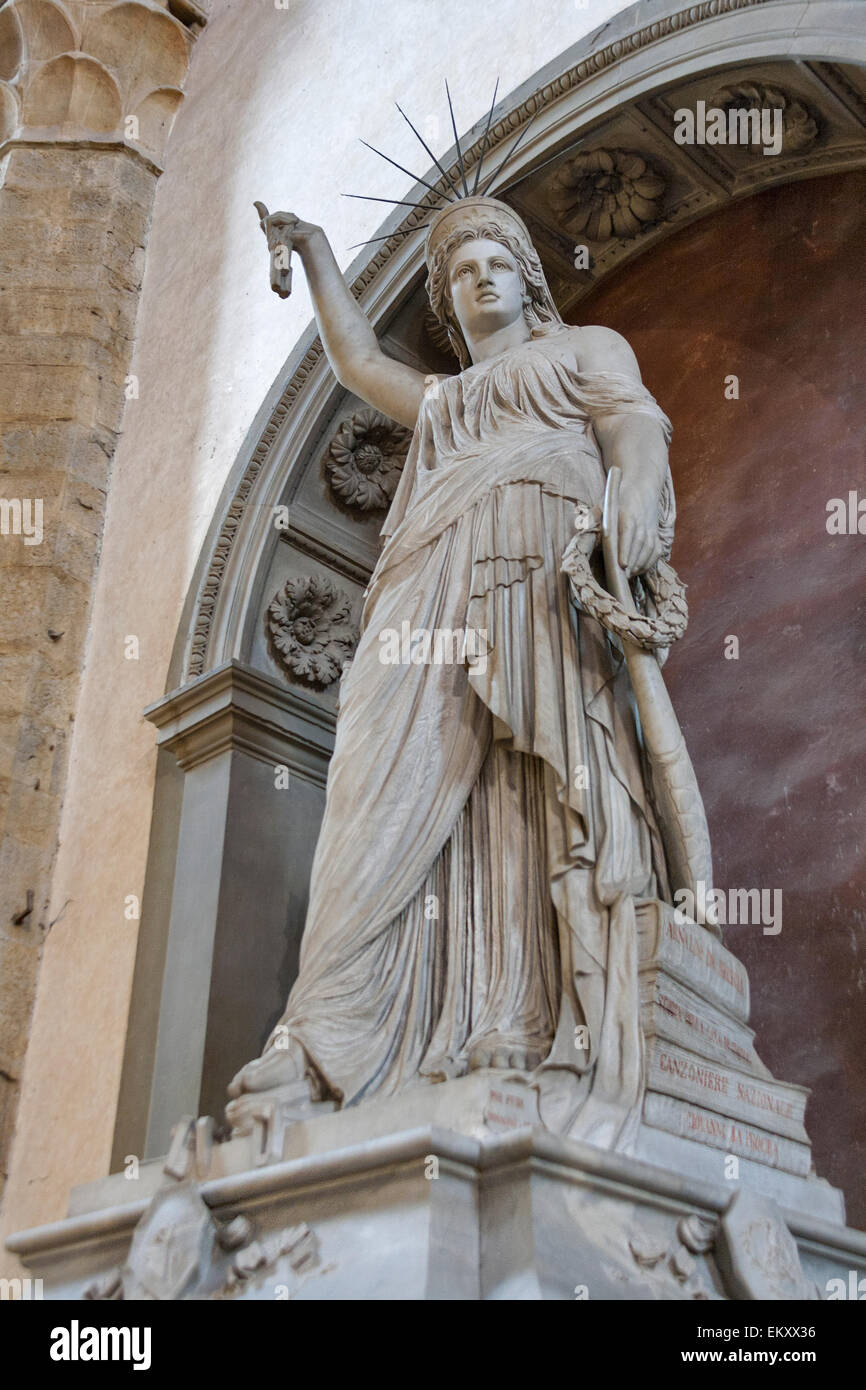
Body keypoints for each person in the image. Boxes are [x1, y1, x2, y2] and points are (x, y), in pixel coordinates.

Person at [228, 195, 676, 1149]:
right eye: (462, 267)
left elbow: (634, 425)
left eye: (497, 260)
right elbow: (358, 364)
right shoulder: (440, 403)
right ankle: (324, 1036)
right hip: (425, 582)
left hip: (539, 574)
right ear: (447, 300)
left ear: (528, 277)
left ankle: (515, 1018)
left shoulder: (585, 350)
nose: (481, 275)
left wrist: (634, 487)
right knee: (377, 785)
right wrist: (313, 251)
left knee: (532, 792)